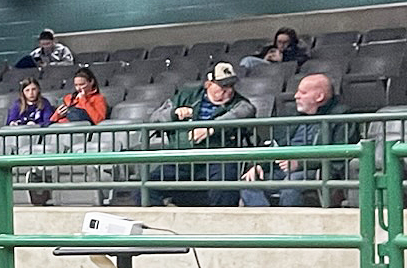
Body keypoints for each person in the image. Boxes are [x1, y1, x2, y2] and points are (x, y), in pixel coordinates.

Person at [146, 61, 255, 205]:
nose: (228, 91)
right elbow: (154, 118)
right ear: (208, 84)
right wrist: (174, 113)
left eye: (231, 86)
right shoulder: (186, 96)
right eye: (222, 86)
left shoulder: (239, 103)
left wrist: (210, 128)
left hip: (219, 159)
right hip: (181, 159)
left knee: (225, 188)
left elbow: (245, 111)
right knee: (144, 188)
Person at [241, 73, 354, 206]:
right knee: (248, 183)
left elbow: (340, 157)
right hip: (282, 170)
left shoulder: (342, 117)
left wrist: (300, 163)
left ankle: (287, 225)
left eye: (303, 92)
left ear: (319, 97)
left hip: (317, 171)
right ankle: (267, 223)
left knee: (292, 183)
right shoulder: (292, 116)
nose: (296, 96)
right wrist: (259, 165)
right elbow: (275, 145)